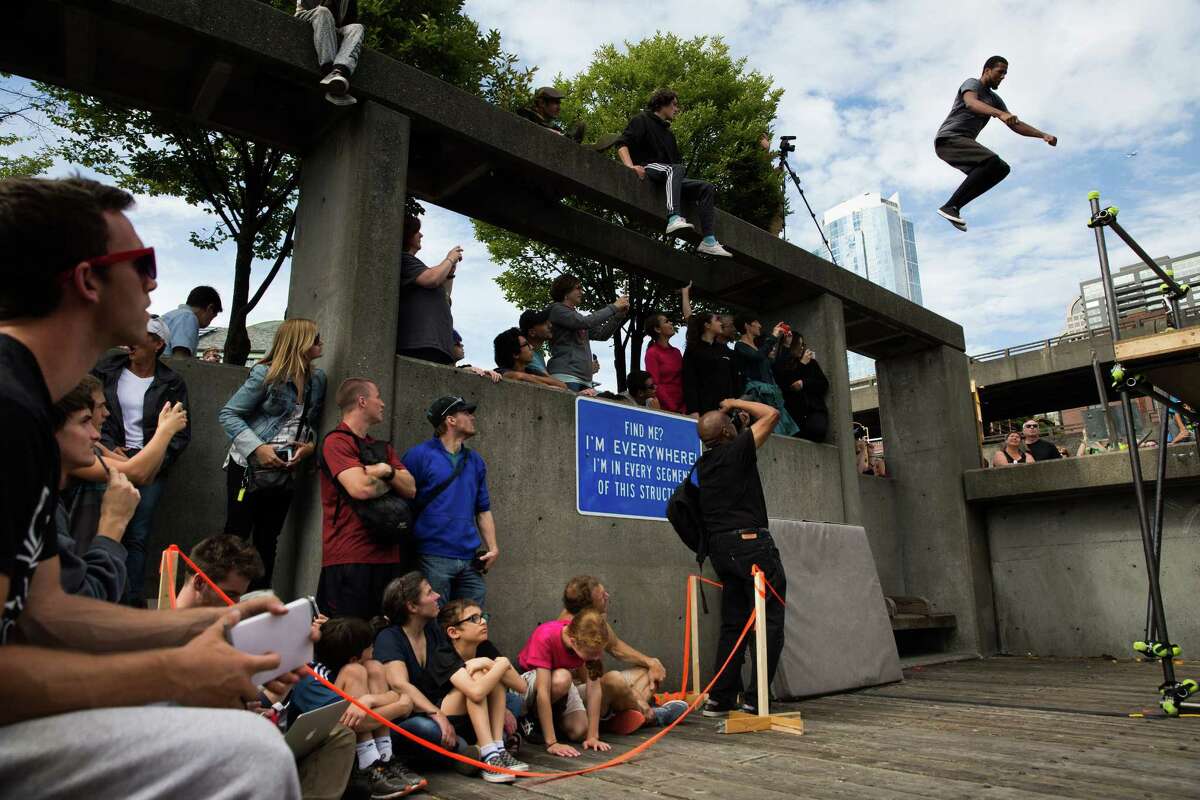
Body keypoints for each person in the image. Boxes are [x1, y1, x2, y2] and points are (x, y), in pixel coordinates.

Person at [0, 174, 302, 798]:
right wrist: (172, 673)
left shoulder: (27, 402)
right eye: (142, 264)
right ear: (87, 280)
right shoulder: (7, 410)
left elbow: (47, 613)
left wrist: (208, 626)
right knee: (248, 754)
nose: (156, 284)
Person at [694, 398, 788, 717]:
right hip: (752, 546)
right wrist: (732, 401)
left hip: (722, 551)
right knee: (769, 620)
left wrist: (737, 426)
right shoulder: (736, 451)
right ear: (724, 432)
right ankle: (756, 698)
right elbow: (773, 414)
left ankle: (720, 697)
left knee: (733, 624)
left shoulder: (703, 466)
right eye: (729, 422)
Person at [219, 318, 326, 590]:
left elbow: (310, 423)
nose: (320, 343)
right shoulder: (265, 375)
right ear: (299, 342)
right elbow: (229, 414)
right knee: (237, 535)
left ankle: (257, 605)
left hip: (284, 472)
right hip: (247, 469)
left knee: (268, 540)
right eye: (315, 339)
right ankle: (224, 598)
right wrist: (257, 448)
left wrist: (310, 446)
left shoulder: (318, 380)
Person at [93, 315, 191, 606]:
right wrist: (109, 446)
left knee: (137, 534)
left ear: (159, 344)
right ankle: (102, 597)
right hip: (111, 459)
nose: (132, 340)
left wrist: (155, 459)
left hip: (151, 467)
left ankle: (131, 601)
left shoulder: (172, 382)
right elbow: (93, 410)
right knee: (106, 527)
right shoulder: (107, 369)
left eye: (141, 334)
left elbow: (180, 432)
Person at [375, 573, 513, 775]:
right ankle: (469, 751)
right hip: (409, 716)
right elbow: (400, 685)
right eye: (429, 592)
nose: (438, 595)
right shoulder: (390, 637)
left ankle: (477, 750)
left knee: (510, 703)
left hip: (445, 707)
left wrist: (497, 705)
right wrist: (436, 714)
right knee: (432, 730)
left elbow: (459, 671)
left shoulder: (433, 630)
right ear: (412, 607)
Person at [289, 616, 427, 798]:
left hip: (347, 733)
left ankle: (384, 757)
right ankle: (367, 762)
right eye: (370, 647)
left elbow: (391, 696)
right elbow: (356, 722)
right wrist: (402, 706)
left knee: (375, 666)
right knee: (355, 671)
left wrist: (369, 700)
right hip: (311, 753)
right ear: (354, 657)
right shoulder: (315, 680)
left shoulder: (355, 664)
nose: (373, 649)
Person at [317, 377, 416, 620]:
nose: (382, 403)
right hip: (349, 555)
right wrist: (393, 481)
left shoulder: (382, 448)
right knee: (346, 635)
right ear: (362, 401)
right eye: (377, 397)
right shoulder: (336, 441)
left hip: (388, 555)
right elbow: (360, 488)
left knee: (381, 636)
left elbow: (411, 488)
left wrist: (385, 471)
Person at [935, 56, 1057, 231]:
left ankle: (953, 208)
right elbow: (971, 103)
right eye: (1000, 72)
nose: (1003, 77)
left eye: (1005, 74)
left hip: (960, 144)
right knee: (991, 161)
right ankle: (950, 206)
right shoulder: (973, 84)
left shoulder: (994, 99)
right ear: (987, 71)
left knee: (1000, 168)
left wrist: (1042, 134)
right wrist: (1000, 114)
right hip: (949, 139)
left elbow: (1015, 124)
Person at [556, 576, 687, 733]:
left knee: (646, 673)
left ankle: (622, 716)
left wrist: (651, 662)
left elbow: (616, 647)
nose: (607, 597)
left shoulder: (593, 618)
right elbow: (591, 681)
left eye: (605, 592)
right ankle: (655, 716)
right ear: (588, 608)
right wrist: (637, 698)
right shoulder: (575, 629)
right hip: (579, 698)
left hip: (598, 690)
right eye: (602, 596)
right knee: (614, 679)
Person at [402, 396, 497, 605]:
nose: (472, 417)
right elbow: (402, 504)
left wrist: (493, 547)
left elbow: (483, 509)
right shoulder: (419, 456)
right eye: (466, 412)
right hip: (431, 555)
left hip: (469, 557)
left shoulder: (475, 461)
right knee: (433, 620)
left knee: (471, 620)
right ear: (450, 420)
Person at [616, 89, 732, 258]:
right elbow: (621, 144)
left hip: (669, 175)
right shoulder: (641, 120)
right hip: (649, 168)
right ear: (662, 103)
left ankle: (708, 240)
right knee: (674, 168)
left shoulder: (669, 135)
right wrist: (630, 166)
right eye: (674, 105)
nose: (677, 109)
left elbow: (676, 169)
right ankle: (673, 218)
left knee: (706, 187)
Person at [52, 380, 138, 601]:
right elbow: (78, 604)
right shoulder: (37, 507)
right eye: (84, 422)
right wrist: (113, 521)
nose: (96, 434)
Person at [517, 607, 613, 758]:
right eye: (592, 654)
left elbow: (594, 688)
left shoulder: (589, 644)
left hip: (560, 687)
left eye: (599, 652)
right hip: (526, 685)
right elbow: (542, 691)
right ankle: (531, 722)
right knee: (563, 677)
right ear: (573, 642)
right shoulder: (546, 635)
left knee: (580, 730)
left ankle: (552, 723)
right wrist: (552, 743)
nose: (597, 657)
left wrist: (592, 736)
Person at [547, 274, 628, 392]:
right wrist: (614, 307)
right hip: (565, 376)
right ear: (566, 291)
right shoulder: (556, 309)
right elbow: (586, 322)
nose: (582, 291)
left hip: (584, 379)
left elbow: (602, 334)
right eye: (578, 288)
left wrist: (618, 315)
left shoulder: (574, 316)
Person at [396, 215, 460, 365]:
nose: (421, 234)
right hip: (420, 345)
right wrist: (450, 259)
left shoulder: (414, 265)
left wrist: (449, 273)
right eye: (417, 231)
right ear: (407, 234)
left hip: (435, 345)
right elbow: (432, 279)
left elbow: (445, 295)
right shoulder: (404, 259)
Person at [732, 314, 799, 437]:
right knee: (769, 429)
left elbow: (776, 366)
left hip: (772, 395)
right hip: (758, 395)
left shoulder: (758, 348)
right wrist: (773, 336)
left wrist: (786, 345)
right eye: (756, 322)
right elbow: (757, 357)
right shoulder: (740, 346)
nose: (760, 325)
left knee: (782, 431)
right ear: (747, 325)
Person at [295, 0, 365, 107]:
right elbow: (309, 6)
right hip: (309, 15)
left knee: (357, 28)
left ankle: (339, 72)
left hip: (333, 27)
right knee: (324, 11)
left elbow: (348, 21)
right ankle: (328, 72)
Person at [173, 534, 265, 609]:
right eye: (230, 595)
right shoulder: (159, 627)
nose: (235, 605)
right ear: (199, 582)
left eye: (239, 597)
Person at [642, 283, 691, 413]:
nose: (671, 323)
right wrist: (673, 408)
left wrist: (685, 406)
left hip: (683, 407)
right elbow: (655, 385)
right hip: (665, 408)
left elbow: (684, 379)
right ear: (657, 329)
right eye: (666, 321)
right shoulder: (652, 353)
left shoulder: (676, 352)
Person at [772, 330, 829, 442]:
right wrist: (802, 365)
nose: (802, 348)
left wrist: (804, 383)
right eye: (799, 345)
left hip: (814, 410)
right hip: (794, 413)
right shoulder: (783, 364)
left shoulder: (811, 363)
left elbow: (823, 384)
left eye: (803, 345)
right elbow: (786, 383)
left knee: (818, 430)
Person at [682, 311, 741, 417]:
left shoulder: (725, 350)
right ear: (707, 325)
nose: (721, 323)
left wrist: (738, 407)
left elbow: (734, 380)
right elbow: (689, 381)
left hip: (727, 410)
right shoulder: (693, 350)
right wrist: (693, 410)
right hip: (704, 411)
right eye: (717, 320)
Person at [159, 285, 222, 357]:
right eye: (213, 317)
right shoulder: (188, 317)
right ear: (210, 308)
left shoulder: (173, 316)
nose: (210, 321)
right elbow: (181, 359)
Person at [493, 327, 568, 389]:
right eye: (526, 345)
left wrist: (532, 377)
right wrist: (548, 387)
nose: (531, 347)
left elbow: (562, 385)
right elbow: (520, 377)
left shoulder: (531, 371)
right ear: (515, 354)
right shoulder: (500, 372)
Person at [516, 86, 585, 143]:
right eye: (556, 103)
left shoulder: (555, 128)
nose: (559, 108)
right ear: (542, 103)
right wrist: (562, 137)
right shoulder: (526, 116)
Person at [519, 308, 554, 375]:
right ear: (532, 332)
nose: (550, 326)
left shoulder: (538, 353)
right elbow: (547, 380)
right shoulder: (527, 355)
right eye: (544, 323)